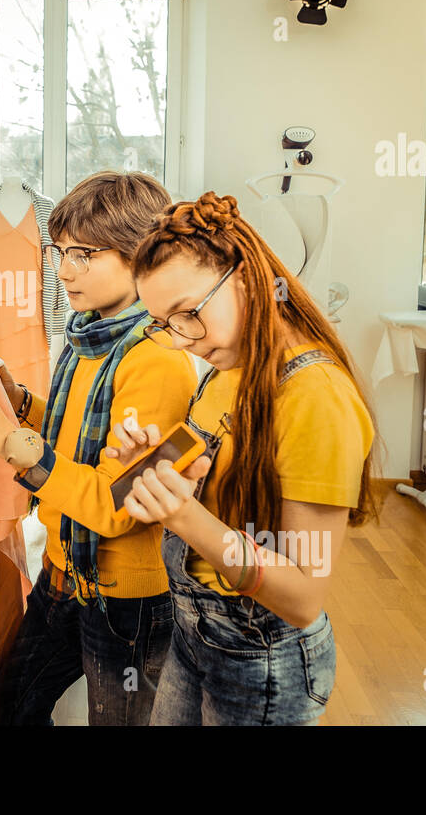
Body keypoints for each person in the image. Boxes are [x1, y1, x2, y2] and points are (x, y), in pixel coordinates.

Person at [105, 190, 384, 725]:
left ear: (245, 277)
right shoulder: (224, 369)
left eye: (188, 313)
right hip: (193, 630)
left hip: (261, 659)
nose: (182, 339)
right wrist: (151, 464)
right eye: (165, 324)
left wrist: (184, 515)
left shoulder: (314, 395)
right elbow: (192, 465)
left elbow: (302, 596)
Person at [0, 171, 198, 725]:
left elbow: (115, 503)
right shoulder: (87, 335)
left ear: (140, 255)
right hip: (62, 575)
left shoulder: (156, 360)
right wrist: (23, 403)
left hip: (125, 602)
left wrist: (9, 441)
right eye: (61, 252)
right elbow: (77, 436)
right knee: (12, 703)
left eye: (83, 254)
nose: (62, 271)